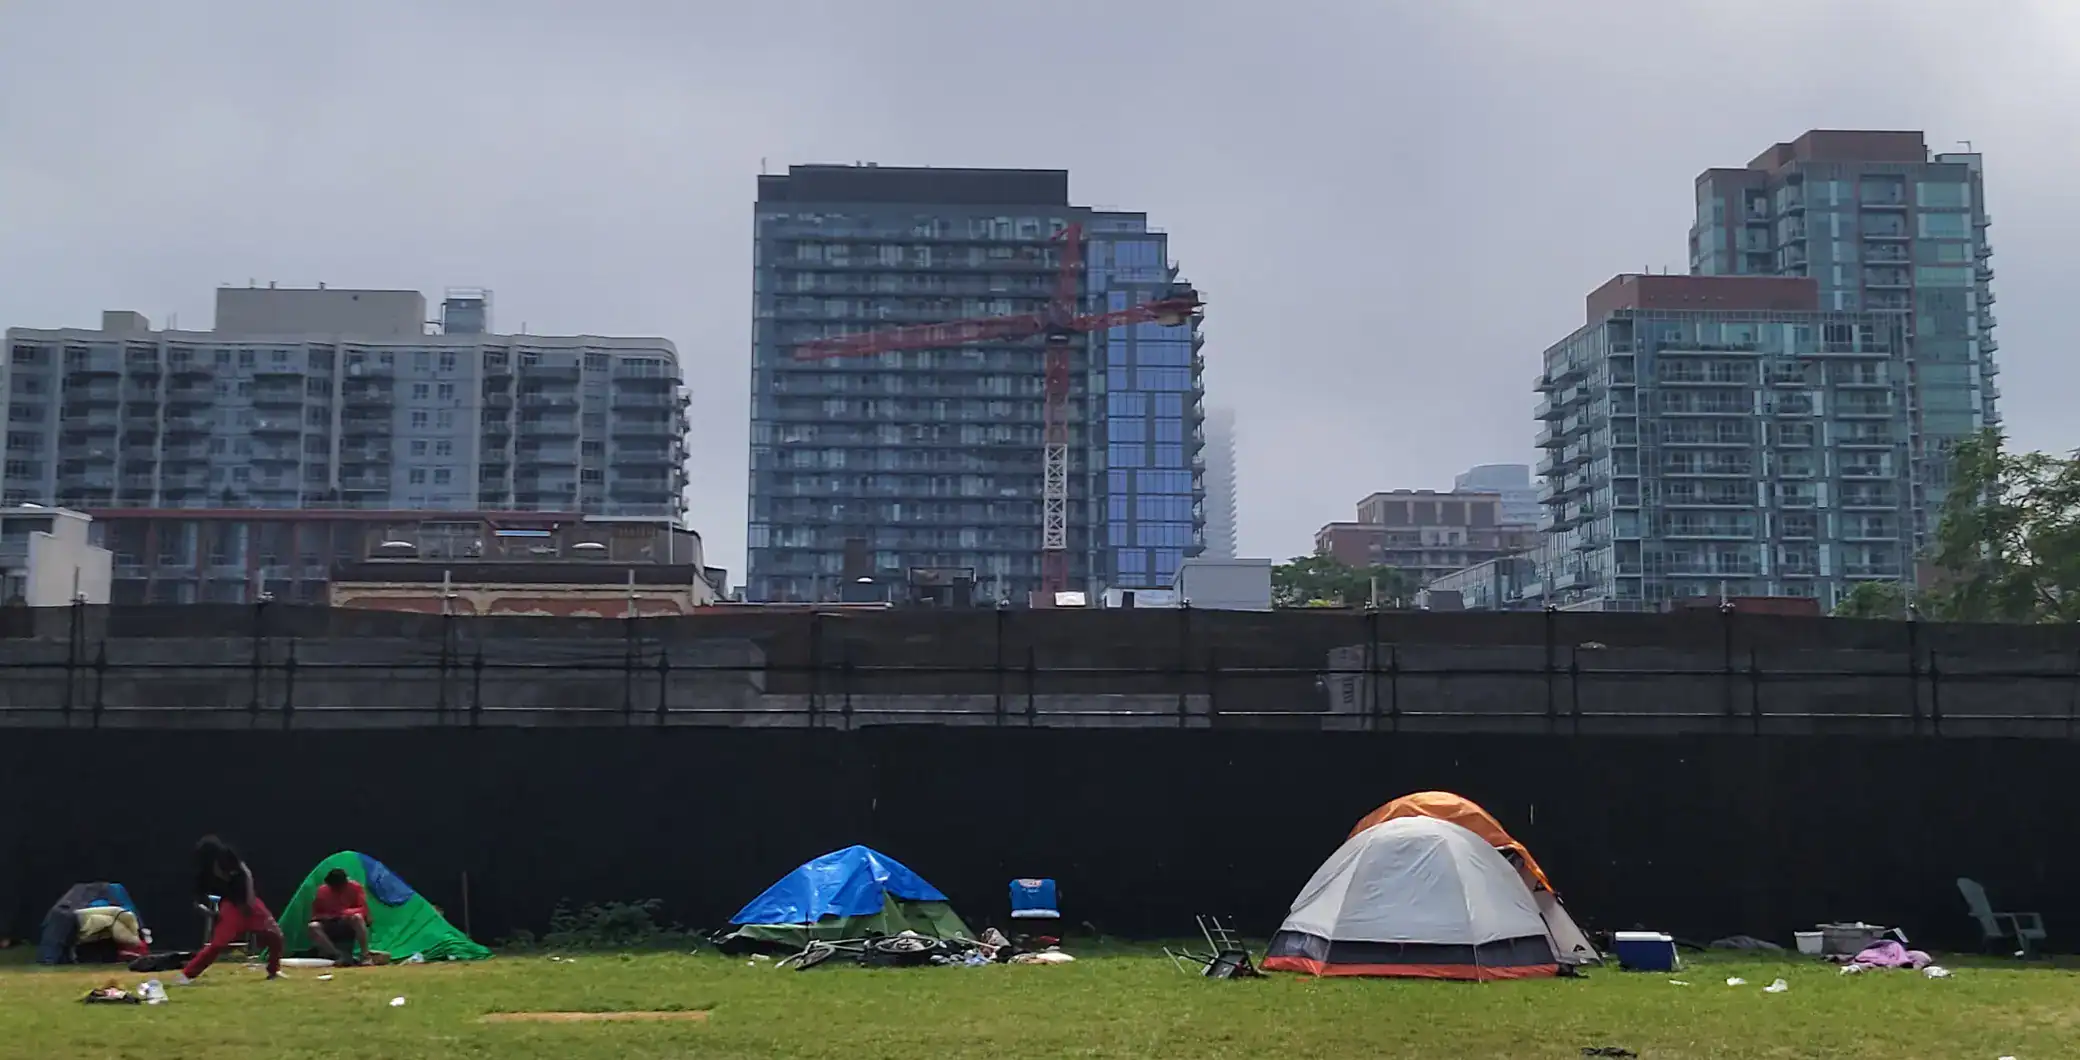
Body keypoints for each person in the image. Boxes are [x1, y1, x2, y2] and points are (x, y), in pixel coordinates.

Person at [179, 835, 283, 983]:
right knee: (219, 943)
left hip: (249, 900)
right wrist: (210, 913)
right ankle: (187, 975)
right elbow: (197, 900)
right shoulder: (204, 873)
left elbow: (247, 874)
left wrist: (250, 900)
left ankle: (274, 970)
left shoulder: (228, 856)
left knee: (275, 935)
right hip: (231, 905)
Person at [308, 868, 372, 966]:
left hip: (347, 921)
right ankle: (337, 955)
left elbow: (363, 908)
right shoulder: (322, 891)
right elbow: (315, 914)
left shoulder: (355, 887)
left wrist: (347, 913)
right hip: (330, 922)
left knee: (357, 918)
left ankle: (365, 956)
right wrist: (326, 916)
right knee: (313, 926)